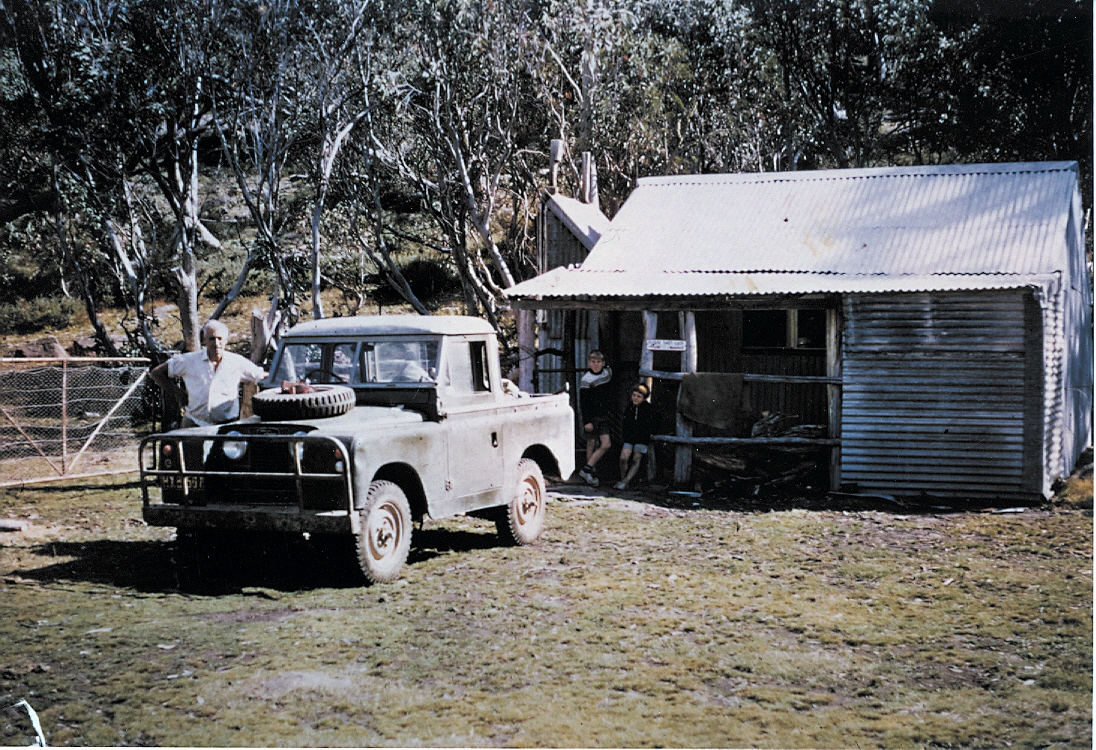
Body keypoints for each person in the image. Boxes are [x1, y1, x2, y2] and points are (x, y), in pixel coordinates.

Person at [150, 319, 267, 427]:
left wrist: (283, 383)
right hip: (195, 423)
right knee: (186, 448)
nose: (216, 343)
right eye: (211, 339)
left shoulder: (236, 362)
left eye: (220, 339)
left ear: (226, 341)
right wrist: (178, 393)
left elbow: (261, 376)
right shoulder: (190, 361)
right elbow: (156, 373)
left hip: (226, 425)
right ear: (205, 340)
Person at [578, 350, 612, 486]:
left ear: (603, 363)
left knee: (605, 444)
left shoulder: (607, 373)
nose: (596, 364)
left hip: (604, 416)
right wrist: (587, 421)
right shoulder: (586, 379)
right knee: (591, 444)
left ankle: (587, 469)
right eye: (593, 362)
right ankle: (590, 473)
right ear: (588, 362)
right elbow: (584, 403)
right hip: (592, 417)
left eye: (598, 362)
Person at [615, 383, 655, 491]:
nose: (635, 398)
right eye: (634, 395)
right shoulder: (629, 408)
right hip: (629, 438)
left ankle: (626, 481)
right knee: (623, 458)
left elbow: (654, 423)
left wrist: (650, 433)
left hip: (642, 438)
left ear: (644, 398)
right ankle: (623, 480)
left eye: (639, 396)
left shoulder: (648, 409)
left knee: (636, 460)